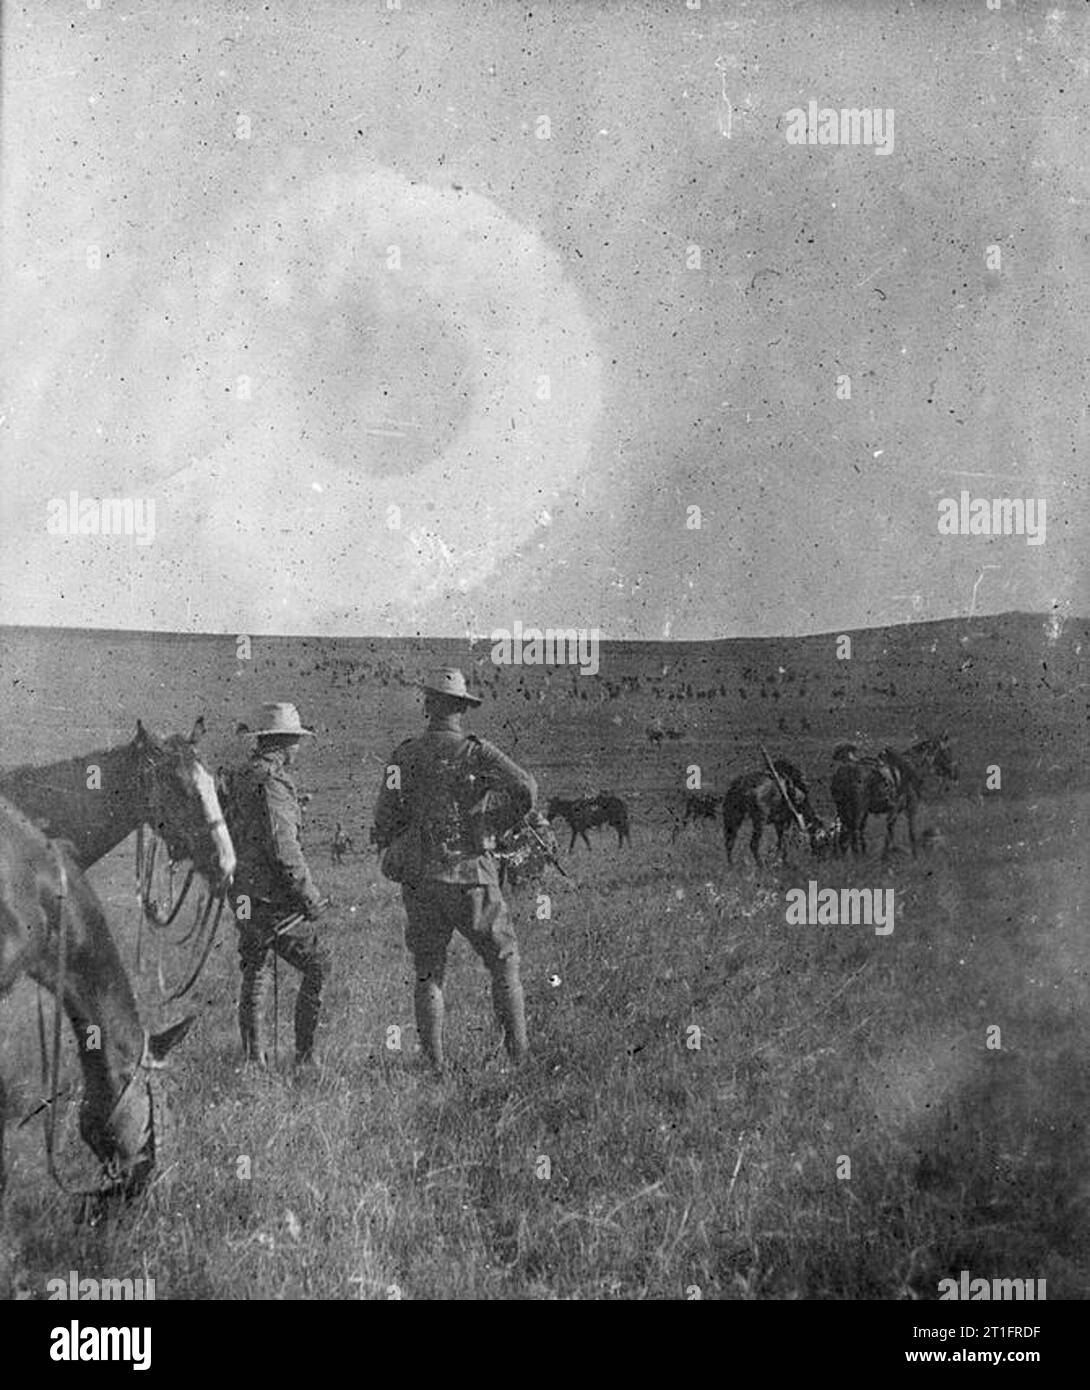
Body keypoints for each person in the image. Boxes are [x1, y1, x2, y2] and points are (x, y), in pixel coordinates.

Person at [372, 668, 536, 1073]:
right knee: (504, 963)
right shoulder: (478, 753)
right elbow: (526, 788)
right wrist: (494, 823)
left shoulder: (403, 754)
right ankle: (519, 1060)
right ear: (463, 708)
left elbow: (384, 816)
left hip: (422, 878)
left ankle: (436, 1067)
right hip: (471, 876)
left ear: (428, 706)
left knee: (429, 973)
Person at [228, 702, 328, 1069]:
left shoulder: (243, 776)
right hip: (271, 898)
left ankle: (254, 1060)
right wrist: (309, 896)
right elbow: (283, 849)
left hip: (242, 892)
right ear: (286, 743)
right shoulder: (273, 783)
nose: (299, 749)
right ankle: (305, 1059)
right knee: (318, 966)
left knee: (255, 967)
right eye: (296, 741)